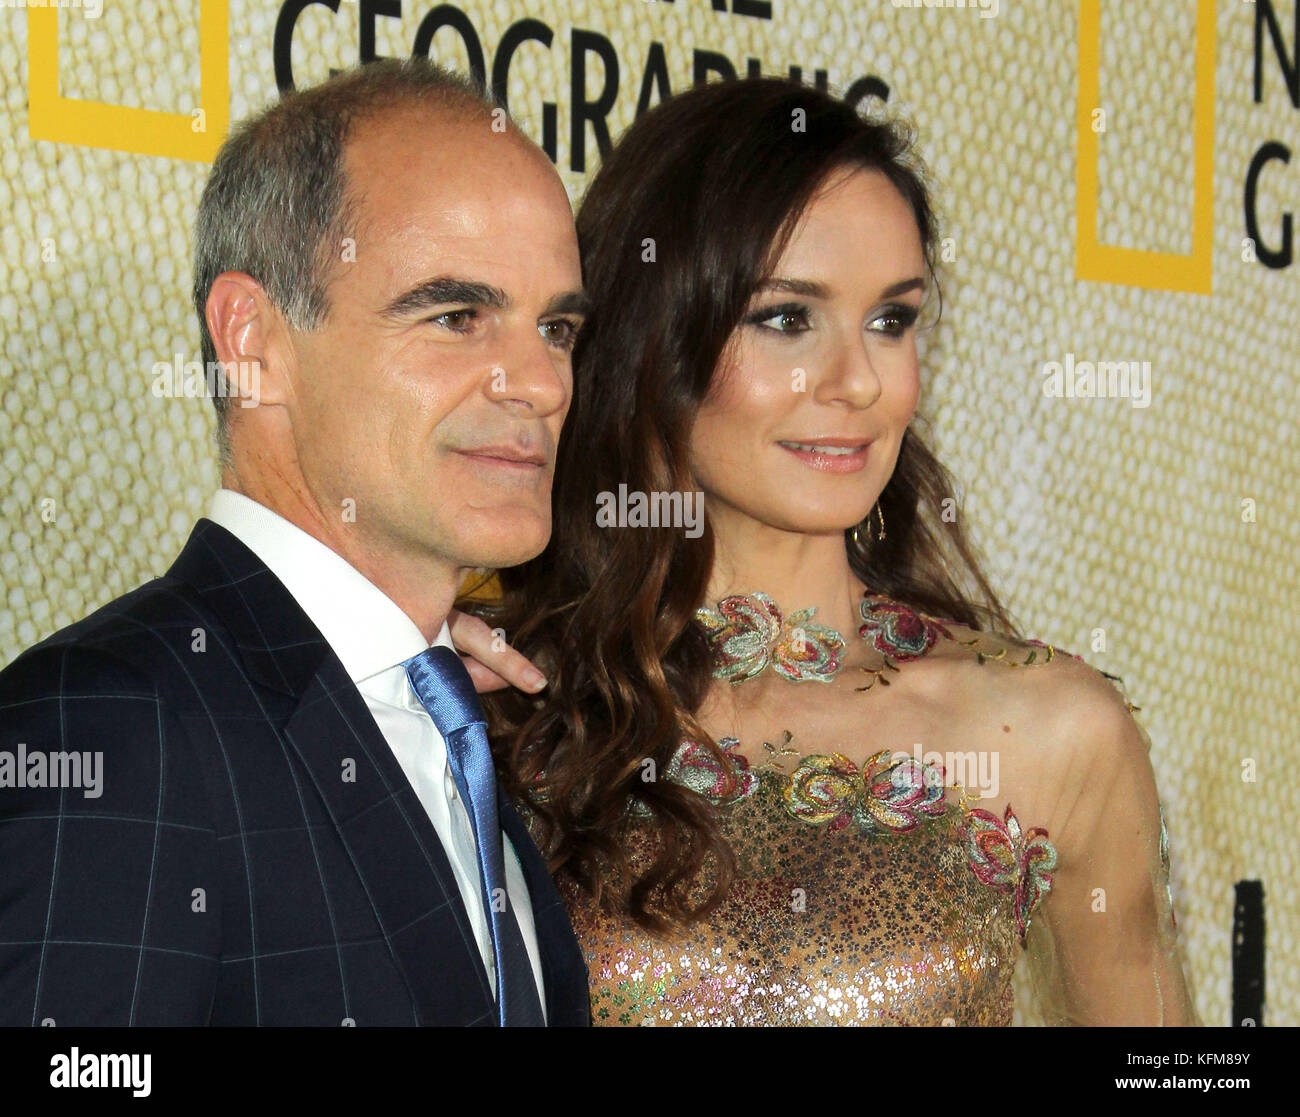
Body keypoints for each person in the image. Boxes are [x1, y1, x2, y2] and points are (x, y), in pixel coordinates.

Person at [472, 77, 1201, 1025]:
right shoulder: (492, 711)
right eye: (787, 318)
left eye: (892, 320)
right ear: (657, 335)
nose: (858, 381)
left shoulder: (1053, 731)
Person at [0, 58, 590, 1026]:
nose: (541, 383)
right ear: (253, 342)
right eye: (456, 316)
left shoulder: (458, 711)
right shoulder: (109, 731)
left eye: (557, 328)